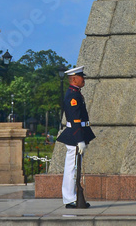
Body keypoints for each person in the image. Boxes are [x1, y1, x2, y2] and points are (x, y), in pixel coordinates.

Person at [57, 66, 95, 209]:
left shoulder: (76, 93)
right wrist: (79, 140)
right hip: (75, 134)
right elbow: (75, 120)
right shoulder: (73, 95)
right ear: (74, 79)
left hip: (78, 133)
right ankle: (70, 198)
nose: (83, 79)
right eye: (81, 77)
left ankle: (73, 197)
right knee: (72, 168)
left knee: (75, 167)